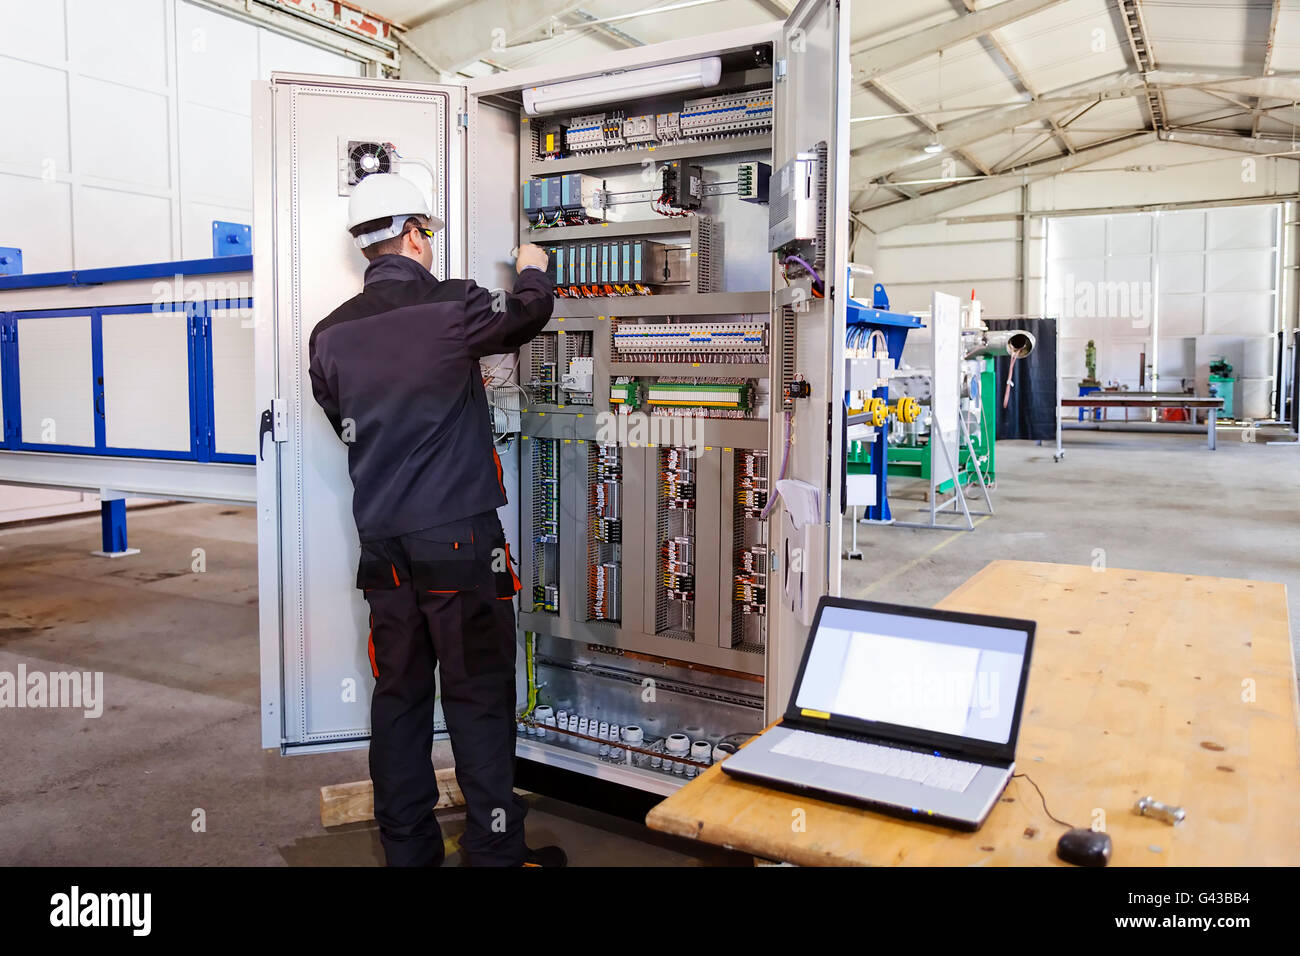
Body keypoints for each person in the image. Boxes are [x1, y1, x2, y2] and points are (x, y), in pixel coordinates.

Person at [308, 172, 562, 867]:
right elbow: (527, 316)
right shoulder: (452, 305)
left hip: (384, 546)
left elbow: (349, 424)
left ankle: (411, 855)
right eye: (427, 233)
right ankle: (495, 854)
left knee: (399, 697)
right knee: (477, 697)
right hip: (459, 541)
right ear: (415, 234)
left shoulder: (328, 335)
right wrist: (533, 269)